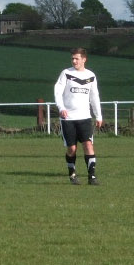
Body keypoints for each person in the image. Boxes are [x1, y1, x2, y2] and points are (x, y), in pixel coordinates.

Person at [53, 48, 103, 185]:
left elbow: (94, 97)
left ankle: (92, 177)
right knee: (72, 149)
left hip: (85, 117)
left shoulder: (91, 76)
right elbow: (58, 92)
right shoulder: (66, 73)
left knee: (88, 145)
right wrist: (61, 108)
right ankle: (72, 174)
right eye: (72, 59)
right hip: (68, 118)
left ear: (84, 59)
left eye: (77, 58)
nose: (74, 61)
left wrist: (98, 116)